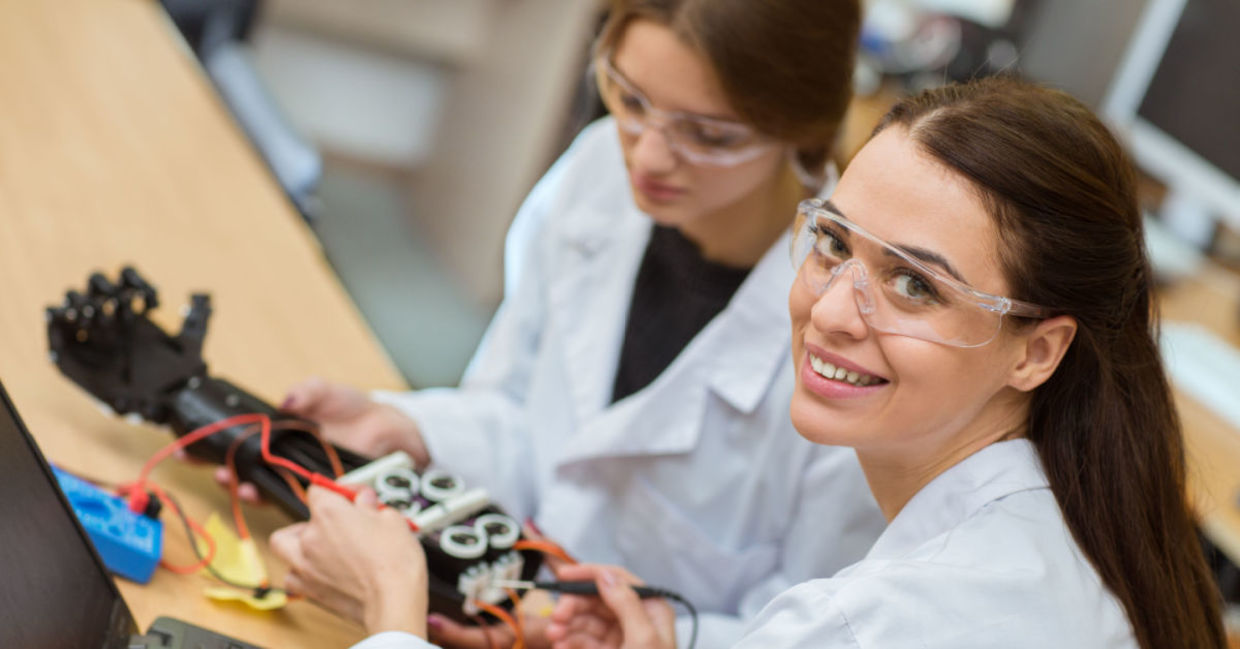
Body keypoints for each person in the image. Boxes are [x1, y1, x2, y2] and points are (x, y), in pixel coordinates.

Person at [269, 77, 1227, 649]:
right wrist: (673, 633)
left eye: (915, 287)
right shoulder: (1055, 517)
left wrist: (391, 606)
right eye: (837, 245)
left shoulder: (921, 609)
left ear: (1039, 348)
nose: (830, 310)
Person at [263, 1, 884, 647]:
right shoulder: (598, 173)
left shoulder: (848, 342)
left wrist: (654, 632)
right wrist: (414, 429)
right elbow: (515, 410)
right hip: (492, 609)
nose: (647, 156)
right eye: (631, 98)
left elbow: (816, 623)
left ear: (803, 128)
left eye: (708, 135)